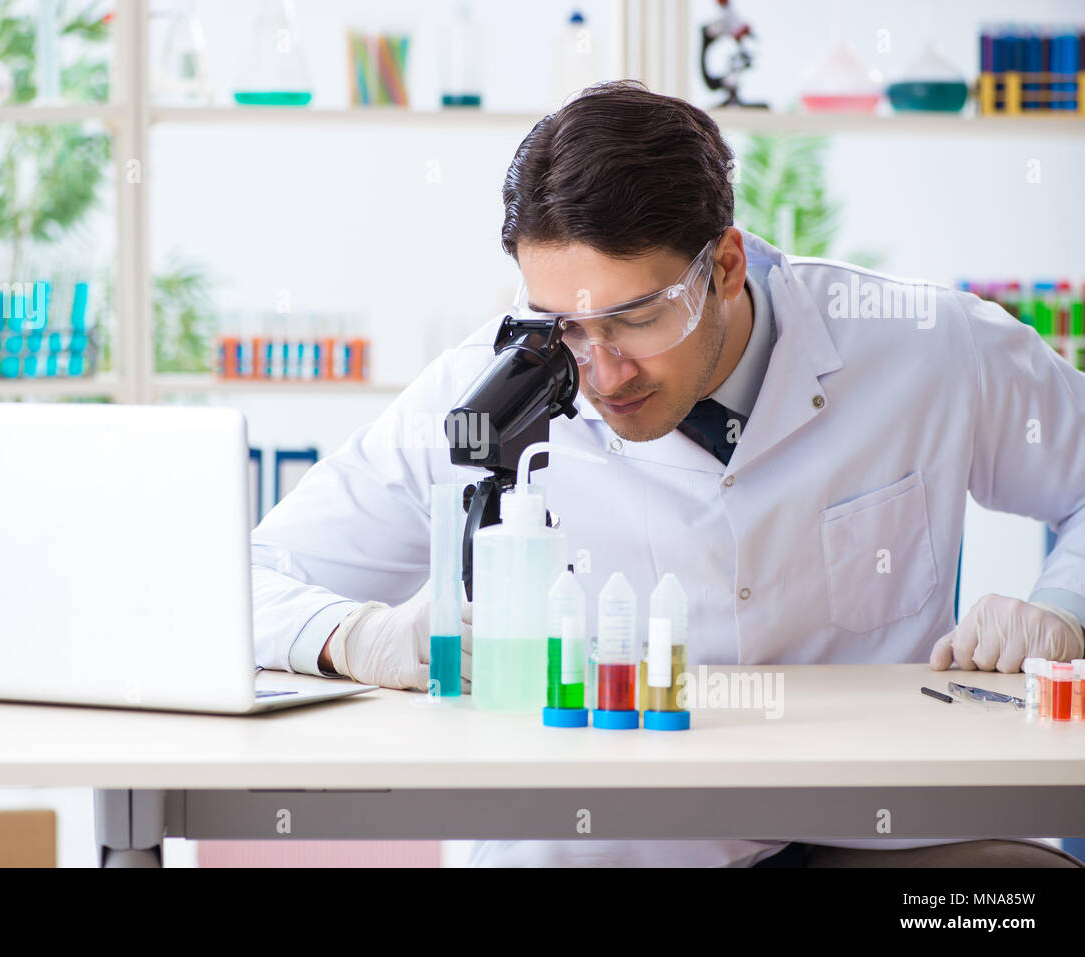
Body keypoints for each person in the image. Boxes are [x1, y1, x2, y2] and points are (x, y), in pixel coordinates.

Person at [250, 81, 1085, 867]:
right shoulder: (483, 395)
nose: (603, 372)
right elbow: (244, 579)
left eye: (638, 318)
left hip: (871, 840)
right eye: (564, 326)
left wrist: (1061, 609)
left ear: (724, 265)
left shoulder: (925, 346)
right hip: (604, 848)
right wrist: (355, 638)